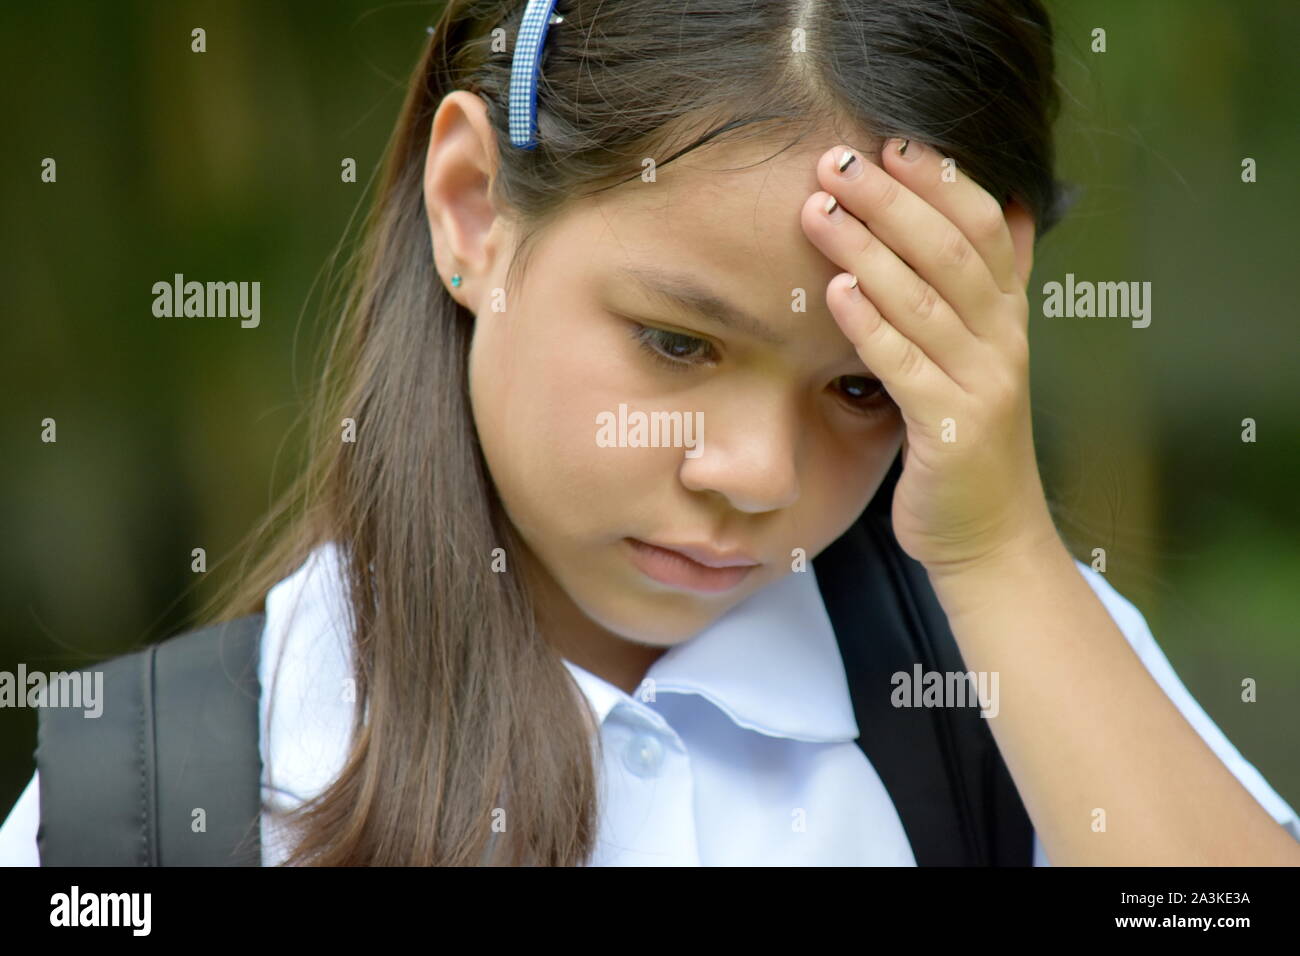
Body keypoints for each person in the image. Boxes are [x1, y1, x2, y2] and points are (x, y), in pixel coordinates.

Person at [3, 0, 1298, 866]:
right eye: (679, 343)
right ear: (470, 213)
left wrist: (1004, 556)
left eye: (863, 389)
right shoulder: (155, 799)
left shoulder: (1014, 683)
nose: (752, 474)